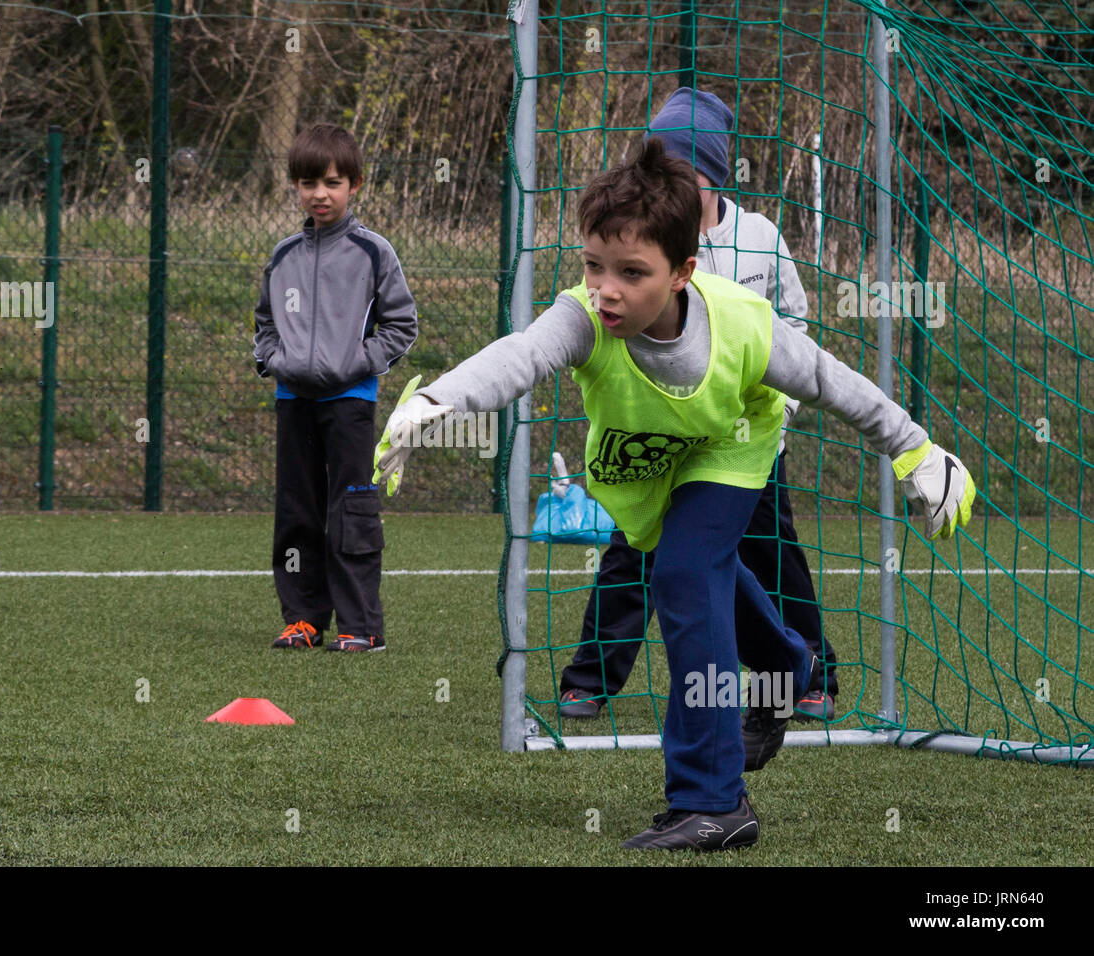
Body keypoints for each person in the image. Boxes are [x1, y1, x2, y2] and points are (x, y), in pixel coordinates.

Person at [377, 138, 974, 850]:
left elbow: (830, 381)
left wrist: (914, 448)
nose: (607, 288)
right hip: (649, 473)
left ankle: (714, 802)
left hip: (730, 448)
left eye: (632, 272)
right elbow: (520, 356)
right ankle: (788, 664)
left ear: (683, 272)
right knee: (688, 572)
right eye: (595, 265)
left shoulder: (744, 325)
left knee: (686, 574)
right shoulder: (582, 317)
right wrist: (437, 402)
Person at [558, 87, 839, 732]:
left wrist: (784, 403)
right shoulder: (639, 239)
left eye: (690, 173)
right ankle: (591, 678)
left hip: (746, 440)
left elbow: (792, 326)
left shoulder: (761, 239)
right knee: (635, 550)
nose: (678, 184)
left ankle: (810, 674)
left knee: (772, 550)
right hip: (662, 436)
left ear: (715, 174)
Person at [252, 123, 418, 652]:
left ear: (355, 184)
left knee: (351, 512)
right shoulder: (282, 257)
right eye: (307, 183)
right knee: (297, 511)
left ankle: (360, 625)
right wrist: (275, 361)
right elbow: (264, 324)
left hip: (350, 401)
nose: (319, 194)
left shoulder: (374, 253)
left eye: (331, 182)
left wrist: (357, 362)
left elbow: (401, 324)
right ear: (295, 187)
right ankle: (302, 618)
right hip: (292, 401)